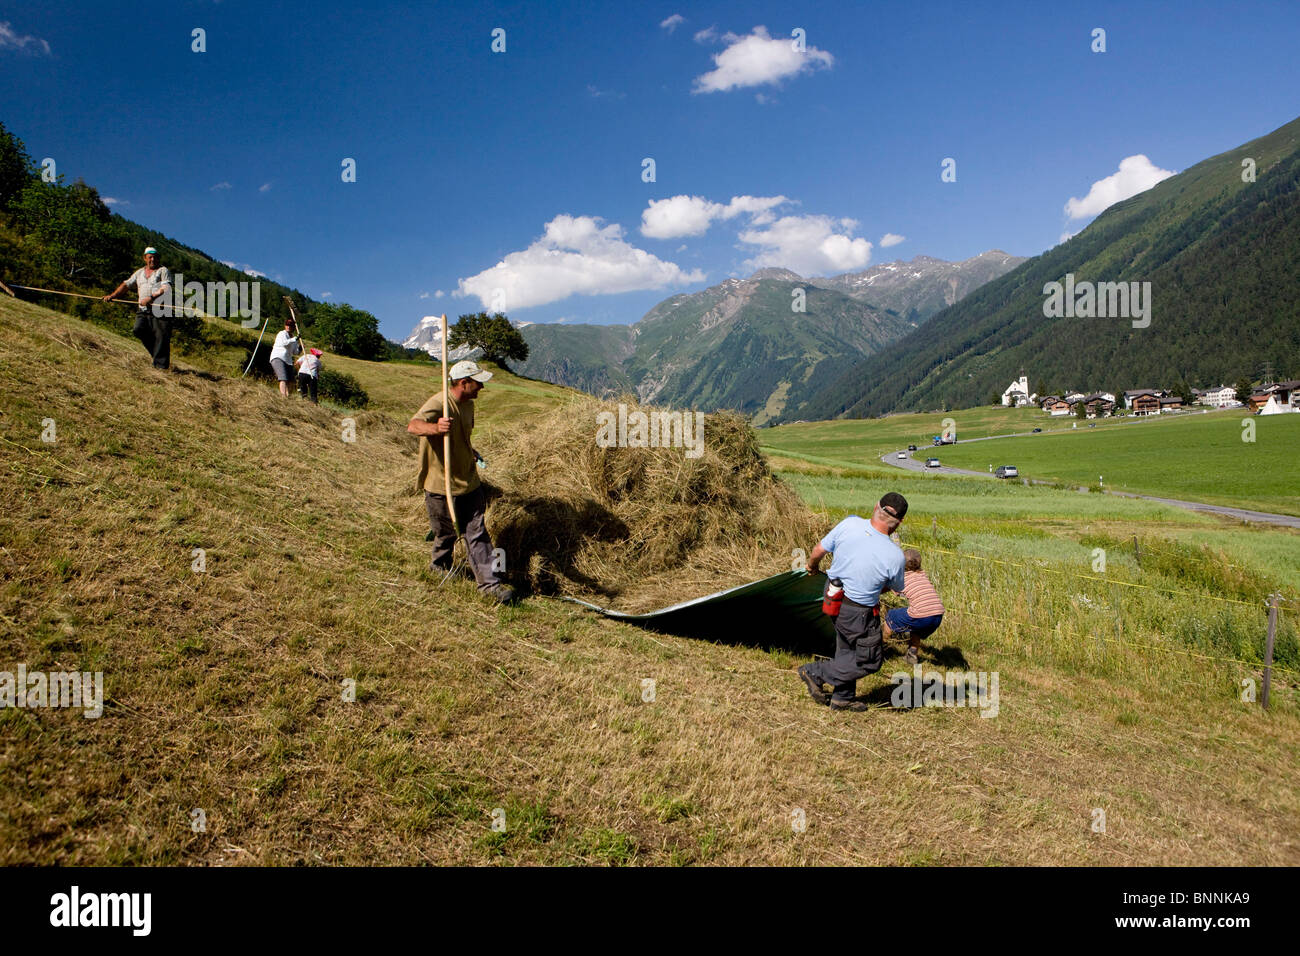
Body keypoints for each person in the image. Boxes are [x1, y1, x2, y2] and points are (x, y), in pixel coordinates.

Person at [407, 360, 515, 604]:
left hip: (468, 480)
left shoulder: (468, 406)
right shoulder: (440, 403)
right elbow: (413, 426)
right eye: (478, 383)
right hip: (441, 484)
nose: (482, 388)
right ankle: (439, 566)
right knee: (444, 533)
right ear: (464, 383)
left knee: (476, 532)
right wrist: (435, 428)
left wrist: (471, 451)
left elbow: (463, 437)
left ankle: (490, 585)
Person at [798, 492, 908, 711]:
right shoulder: (895, 556)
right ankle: (815, 672)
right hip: (858, 610)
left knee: (847, 648)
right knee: (870, 660)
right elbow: (894, 588)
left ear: (876, 506)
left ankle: (843, 698)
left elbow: (818, 550)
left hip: (832, 594)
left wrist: (811, 566)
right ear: (900, 522)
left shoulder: (849, 524)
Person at [104, 246, 173, 369]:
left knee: (161, 337)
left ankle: (161, 368)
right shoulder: (139, 272)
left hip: (161, 310)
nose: (153, 259)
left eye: (155, 257)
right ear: (145, 258)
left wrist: (151, 298)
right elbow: (126, 285)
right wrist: (112, 295)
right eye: (150, 257)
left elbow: (166, 288)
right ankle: (159, 356)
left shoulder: (163, 270)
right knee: (138, 329)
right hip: (143, 310)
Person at [883, 549, 945, 665]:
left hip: (921, 613)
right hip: (938, 614)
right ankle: (912, 655)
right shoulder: (922, 574)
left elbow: (887, 588)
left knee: (891, 616)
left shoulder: (901, 578)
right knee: (916, 628)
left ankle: (881, 648)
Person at [269, 318, 302, 396]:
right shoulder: (282, 334)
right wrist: (295, 339)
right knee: (283, 378)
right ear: (285, 325)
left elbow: (295, 352)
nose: (288, 326)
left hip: (288, 361)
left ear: (294, 327)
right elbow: (284, 343)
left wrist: (300, 348)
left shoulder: (294, 339)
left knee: (291, 381)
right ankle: (283, 397)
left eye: (290, 325)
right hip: (278, 358)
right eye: (287, 325)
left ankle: (288, 396)